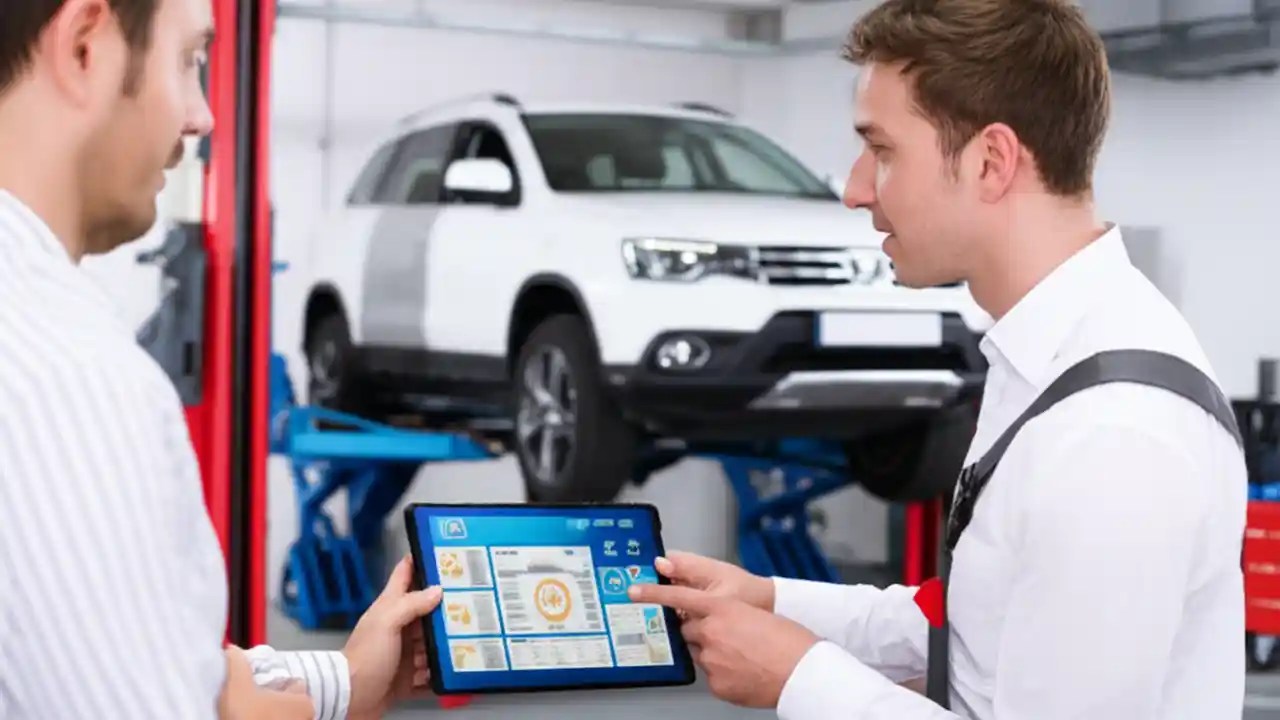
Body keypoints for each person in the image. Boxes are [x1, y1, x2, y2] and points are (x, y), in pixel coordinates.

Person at [629, 1, 1247, 718]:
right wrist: (768, 599)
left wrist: (800, 679)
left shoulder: (1111, 434)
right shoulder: (1049, 366)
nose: (857, 190)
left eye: (883, 151)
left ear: (991, 161)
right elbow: (977, 634)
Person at [0, 0, 443, 717]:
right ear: (84, 47)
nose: (202, 116)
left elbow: (128, 657)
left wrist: (341, 679)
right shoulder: (72, 380)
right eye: (188, 61)